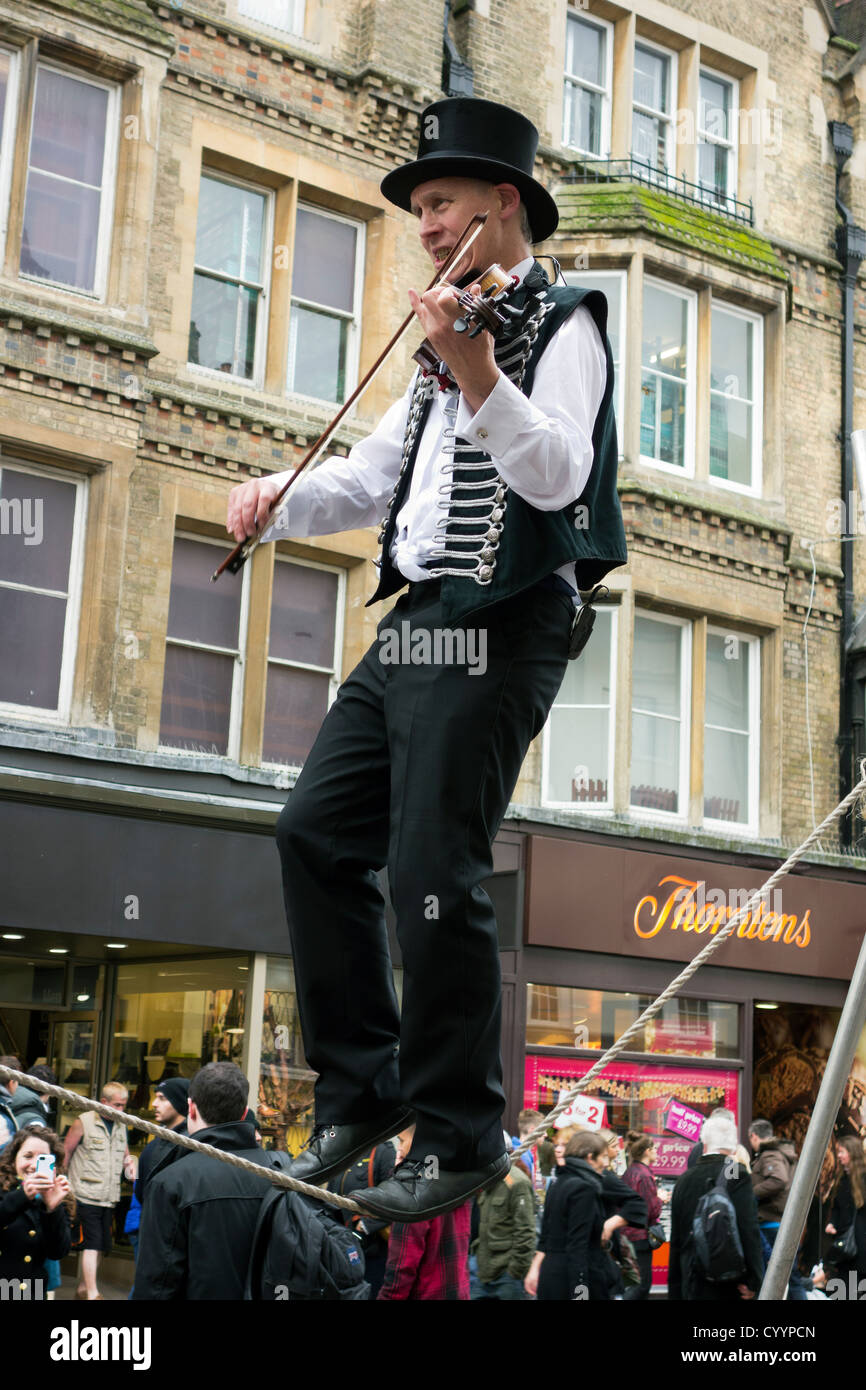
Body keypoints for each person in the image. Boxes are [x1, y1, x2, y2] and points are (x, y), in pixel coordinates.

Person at [227, 95, 625, 1224]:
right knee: (314, 832)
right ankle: (362, 1090)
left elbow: (554, 478)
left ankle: (459, 1131)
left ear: (504, 203)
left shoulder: (564, 324)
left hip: (501, 620)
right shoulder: (441, 339)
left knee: (433, 868)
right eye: (417, 210)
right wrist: (275, 503)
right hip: (416, 621)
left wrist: (477, 365)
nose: (425, 225)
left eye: (440, 202)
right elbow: (370, 481)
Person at [131, 1062, 278, 1300]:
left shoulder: (171, 1183)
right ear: (244, 1113)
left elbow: (157, 1285)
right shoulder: (280, 1175)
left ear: (191, 1109)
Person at [525, 1131, 645, 1300]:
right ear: (590, 1157)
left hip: (552, 1276)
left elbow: (546, 1236)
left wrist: (536, 1268)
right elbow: (578, 1247)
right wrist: (580, 1293)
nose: (605, 1163)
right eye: (603, 1157)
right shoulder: (584, 1188)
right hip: (576, 1279)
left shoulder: (558, 1183)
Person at [668, 1114, 764, 1301]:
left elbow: (676, 1242)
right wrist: (754, 1280)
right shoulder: (736, 1172)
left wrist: (675, 1288)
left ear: (704, 1145)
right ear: (734, 1147)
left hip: (692, 1281)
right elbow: (748, 1229)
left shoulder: (684, 1180)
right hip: (728, 1281)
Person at [377, 1126, 472, 1299]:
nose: (399, 1149)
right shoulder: (459, 1182)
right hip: (457, 1292)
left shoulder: (410, 1193)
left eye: (402, 1141)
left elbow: (401, 1272)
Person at [65, 1081, 136, 1301]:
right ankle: (93, 1293)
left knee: (101, 1245)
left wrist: (132, 1166)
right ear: (103, 1102)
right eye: (117, 1105)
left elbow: (126, 1156)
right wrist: (65, 1188)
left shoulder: (122, 1124)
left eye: (124, 1105)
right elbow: (66, 1153)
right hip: (85, 1194)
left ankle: (83, 1289)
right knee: (92, 1244)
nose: (120, 1110)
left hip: (109, 1196)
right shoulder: (83, 1122)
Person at [0, 1125, 74, 1293]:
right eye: (28, 1156)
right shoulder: (3, 1190)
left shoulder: (57, 1195)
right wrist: (23, 1195)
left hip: (29, 1292)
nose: (33, 1165)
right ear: (14, 1159)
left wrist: (52, 1209)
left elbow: (58, 1252)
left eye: (43, 1159)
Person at [470, 1134, 536, 1299]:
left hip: (506, 1274)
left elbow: (525, 1231)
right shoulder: (486, 1180)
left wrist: (515, 1271)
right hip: (482, 1268)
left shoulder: (517, 1182)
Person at [328, 1141, 397, 1298]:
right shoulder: (344, 1152)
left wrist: (365, 1226)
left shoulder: (383, 1152)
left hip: (371, 1249)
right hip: (342, 1246)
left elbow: (394, 1199)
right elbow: (331, 1195)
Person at [620, 1131, 664, 1301]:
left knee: (633, 1281)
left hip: (627, 1234)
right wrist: (660, 1199)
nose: (657, 1152)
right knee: (643, 1284)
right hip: (640, 1236)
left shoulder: (630, 1171)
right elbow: (651, 1210)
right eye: (654, 1149)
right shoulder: (645, 1175)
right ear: (647, 1151)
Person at [135, 1078, 189, 1210]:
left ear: (179, 1102)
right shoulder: (156, 1142)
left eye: (162, 1098)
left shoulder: (189, 1145)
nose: (154, 1104)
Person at [825, 1135, 866, 1280]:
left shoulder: (863, 1178)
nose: (839, 1156)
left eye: (842, 1151)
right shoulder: (841, 1178)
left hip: (860, 1243)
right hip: (844, 1243)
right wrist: (832, 1223)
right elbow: (836, 1207)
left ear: (852, 1152)